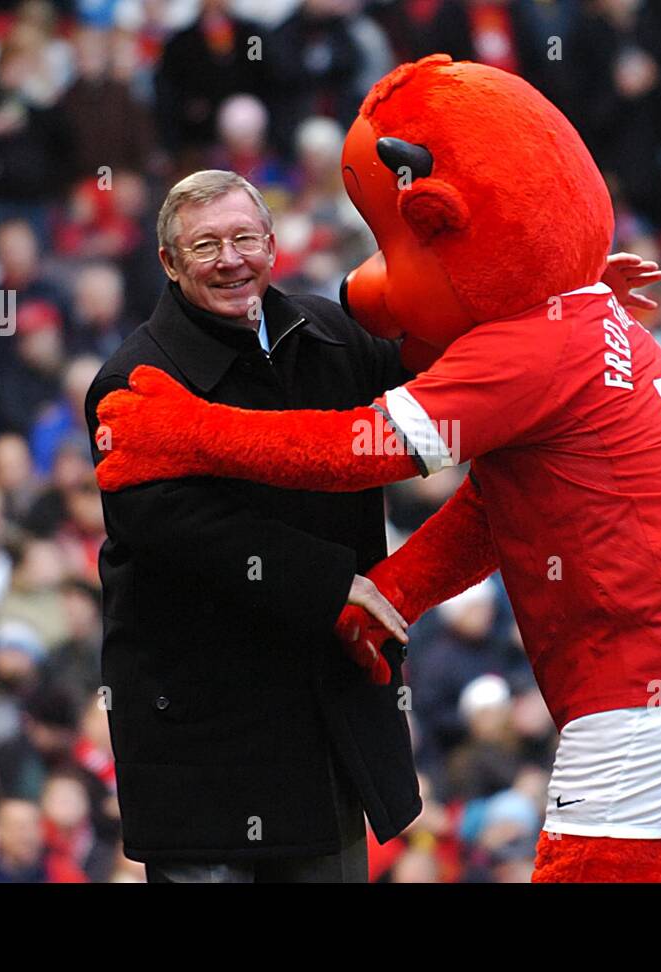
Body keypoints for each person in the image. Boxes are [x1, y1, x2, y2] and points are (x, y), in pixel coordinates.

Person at [84, 170, 420, 882]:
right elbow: (164, 523)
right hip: (202, 744)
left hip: (320, 725)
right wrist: (332, 583)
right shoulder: (134, 378)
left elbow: (436, 377)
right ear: (170, 264)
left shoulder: (332, 332)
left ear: (273, 246)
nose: (231, 259)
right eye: (205, 246)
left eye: (243, 238)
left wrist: (550, 303)